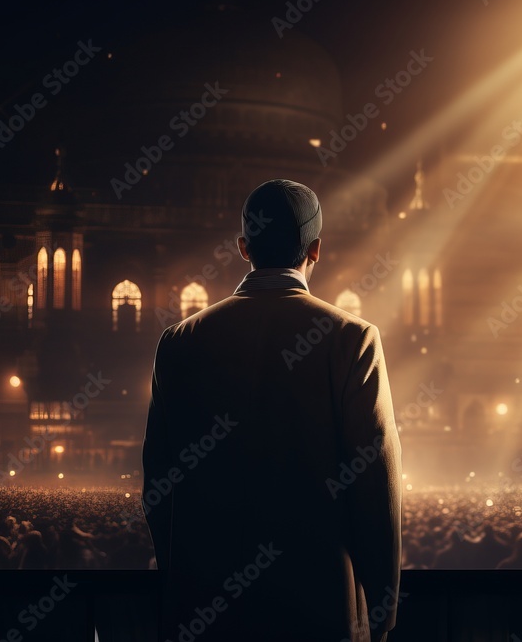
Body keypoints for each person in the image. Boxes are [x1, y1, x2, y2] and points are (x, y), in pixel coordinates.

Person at [143, 179, 402, 641]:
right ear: (317, 250)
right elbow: (374, 486)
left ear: (244, 247)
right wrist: (381, 608)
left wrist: (183, 582)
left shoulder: (180, 342)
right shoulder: (350, 339)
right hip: (318, 610)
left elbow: (159, 487)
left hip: (206, 612)